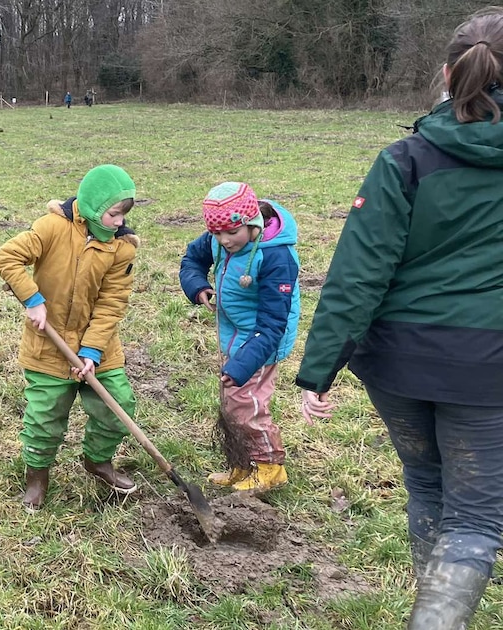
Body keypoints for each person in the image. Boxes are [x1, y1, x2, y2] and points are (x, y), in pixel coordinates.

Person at [296, 8, 503, 628]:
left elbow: (358, 272)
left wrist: (319, 370)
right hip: (485, 374)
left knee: (426, 485)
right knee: (475, 518)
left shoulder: (405, 158)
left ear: (447, 74)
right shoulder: (406, 158)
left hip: (397, 366)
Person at [0, 165, 141, 511]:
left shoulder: (122, 250)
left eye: (124, 214)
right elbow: (7, 257)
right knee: (45, 416)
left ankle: (98, 460)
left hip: (99, 348)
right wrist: (33, 299)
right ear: (91, 206)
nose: (119, 222)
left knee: (117, 405)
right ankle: (37, 476)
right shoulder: (52, 228)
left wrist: (91, 350)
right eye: (114, 213)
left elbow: (111, 303)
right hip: (48, 346)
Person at [179, 182, 300, 492]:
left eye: (231, 233)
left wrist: (243, 364)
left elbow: (274, 322)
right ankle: (243, 464)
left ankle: (270, 467)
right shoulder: (220, 237)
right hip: (234, 335)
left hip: (262, 342)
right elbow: (193, 259)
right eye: (216, 233)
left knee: (247, 404)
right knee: (232, 404)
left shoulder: (276, 257)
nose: (223, 240)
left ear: (251, 222)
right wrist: (197, 286)